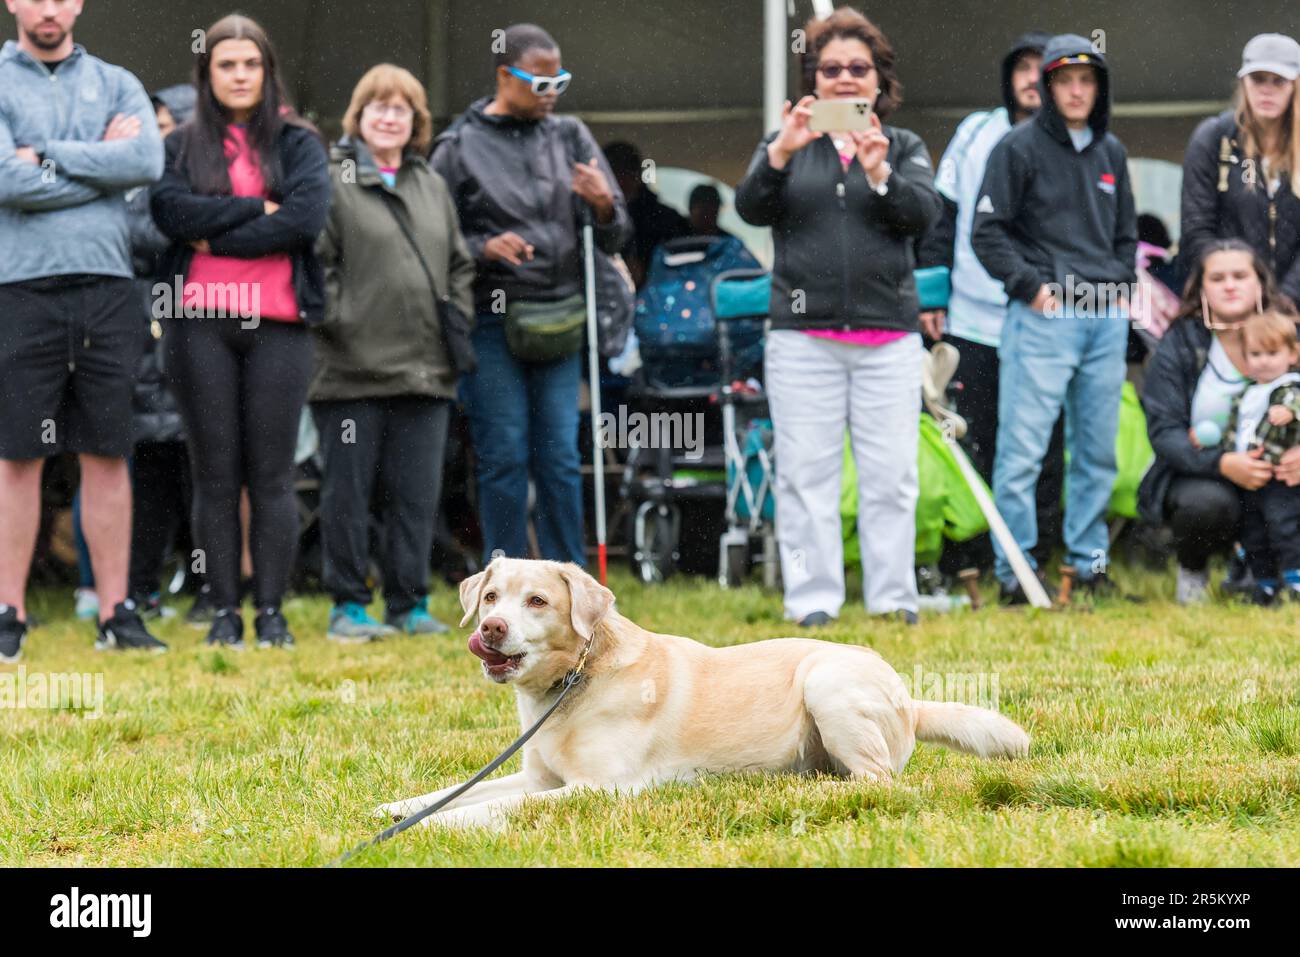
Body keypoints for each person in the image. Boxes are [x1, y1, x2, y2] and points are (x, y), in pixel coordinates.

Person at [734, 6, 941, 626]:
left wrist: (880, 172)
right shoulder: (787, 144)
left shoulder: (903, 145)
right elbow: (748, 207)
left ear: (879, 81)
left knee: (891, 477)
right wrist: (780, 151)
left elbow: (923, 216)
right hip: (803, 339)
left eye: (859, 68)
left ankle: (893, 598)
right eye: (831, 69)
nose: (846, 77)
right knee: (805, 477)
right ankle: (812, 601)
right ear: (813, 81)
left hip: (889, 337)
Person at [151, 13, 330, 649]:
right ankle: (225, 613)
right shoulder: (180, 145)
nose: (239, 75)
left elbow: (305, 219)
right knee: (216, 476)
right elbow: (170, 212)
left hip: (279, 325)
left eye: (250, 64)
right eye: (226, 64)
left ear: (267, 70)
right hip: (199, 323)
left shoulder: (299, 141)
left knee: (273, 475)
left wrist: (217, 232)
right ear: (207, 73)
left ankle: (272, 613)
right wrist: (256, 207)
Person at [0, 0, 166, 662]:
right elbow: (4, 180)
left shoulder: (117, 82)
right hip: (20, 289)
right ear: (12, 3)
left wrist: (47, 155)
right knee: (18, 456)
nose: (48, 8)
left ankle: (115, 612)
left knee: (107, 452)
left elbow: (145, 162)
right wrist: (99, 165)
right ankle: (8, 614)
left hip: (107, 288)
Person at [432, 23, 630, 568]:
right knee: (503, 456)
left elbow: (617, 236)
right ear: (504, 75)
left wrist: (604, 204)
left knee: (560, 456)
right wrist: (483, 247)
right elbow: (429, 239)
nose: (551, 94)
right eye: (540, 83)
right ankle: (506, 581)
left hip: (560, 318)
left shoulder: (570, 136)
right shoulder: (458, 146)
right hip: (492, 320)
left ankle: (569, 580)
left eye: (559, 82)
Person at [311, 64, 475, 642]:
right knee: (348, 495)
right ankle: (348, 606)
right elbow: (316, 265)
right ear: (358, 117)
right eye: (378, 106)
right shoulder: (331, 179)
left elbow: (460, 264)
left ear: (416, 121)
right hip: (349, 371)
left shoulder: (432, 185)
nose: (389, 117)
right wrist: (343, 320)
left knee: (416, 498)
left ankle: (409, 603)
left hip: (426, 371)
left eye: (400, 108)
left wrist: (457, 317)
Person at [972, 34, 1137, 603]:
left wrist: (1120, 289)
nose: (1076, 90)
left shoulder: (1111, 152)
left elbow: (1126, 236)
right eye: (1064, 80)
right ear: (1046, 87)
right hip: (1044, 314)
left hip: (1104, 316)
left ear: (1100, 88)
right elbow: (986, 232)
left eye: (1087, 80)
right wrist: (1031, 287)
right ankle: (1015, 577)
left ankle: (1090, 569)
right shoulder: (1016, 147)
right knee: (1023, 453)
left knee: (1097, 452)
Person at [917, 30, 1064, 580]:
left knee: (1044, 444)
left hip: (1048, 319)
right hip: (975, 319)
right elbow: (943, 212)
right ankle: (976, 558)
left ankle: (1035, 559)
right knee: (976, 436)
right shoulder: (976, 131)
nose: (1031, 79)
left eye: (1042, 69)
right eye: (1021, 68)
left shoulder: (1075, 140)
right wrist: (932, 292)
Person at [1138, 239, 1300, 603]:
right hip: (1209, 472)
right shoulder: (1180, 342)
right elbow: (1164, 431)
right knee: (1205, 505)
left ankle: (1278, 576)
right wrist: (1223, 463)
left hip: (1285, 473)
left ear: (1260, 283)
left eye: (1240, 276)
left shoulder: (1292, 334)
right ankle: (1194, 571)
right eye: (1217, 278)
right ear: (1201, 288)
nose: (1229, 285)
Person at [126, 84, 198, 620]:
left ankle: (208, 587)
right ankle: (140, 588)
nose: (157, 136)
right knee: (151, 472)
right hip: (147, 340)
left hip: (204, 337)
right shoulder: (136, 185)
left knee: (204, 476)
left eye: (168, 126)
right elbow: (142, 239)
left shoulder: (205, 180)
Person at [1181, 33, 1300, 304]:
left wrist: (1285, 302)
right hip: (1226, 303)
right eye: (1258, 79)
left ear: (1295, 85)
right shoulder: (1214, 138)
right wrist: (1235, 291)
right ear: (1243, 82)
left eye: (1279, 81)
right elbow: (1196, 228)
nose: (1267, 89)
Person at [1224, 311, 1300, 601]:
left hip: (1279, 478)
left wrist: (1290, 412)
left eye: (1272, 353)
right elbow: (1236, 431)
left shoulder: (1289, 387)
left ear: (1292, 354)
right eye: (1256, 354)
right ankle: (1264, 583)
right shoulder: (1247, 393)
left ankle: (1294, 579)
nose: (1264, 361)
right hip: (1249, 477)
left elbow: (1295, 401)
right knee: (1253, 532)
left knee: (1284, 527)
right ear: (1245, 359)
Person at [603, 140, 688, 287]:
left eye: (626, 171)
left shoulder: (666, 219)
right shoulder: (590, 219)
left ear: (637, 175)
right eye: (614, 172)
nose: (620, 180)